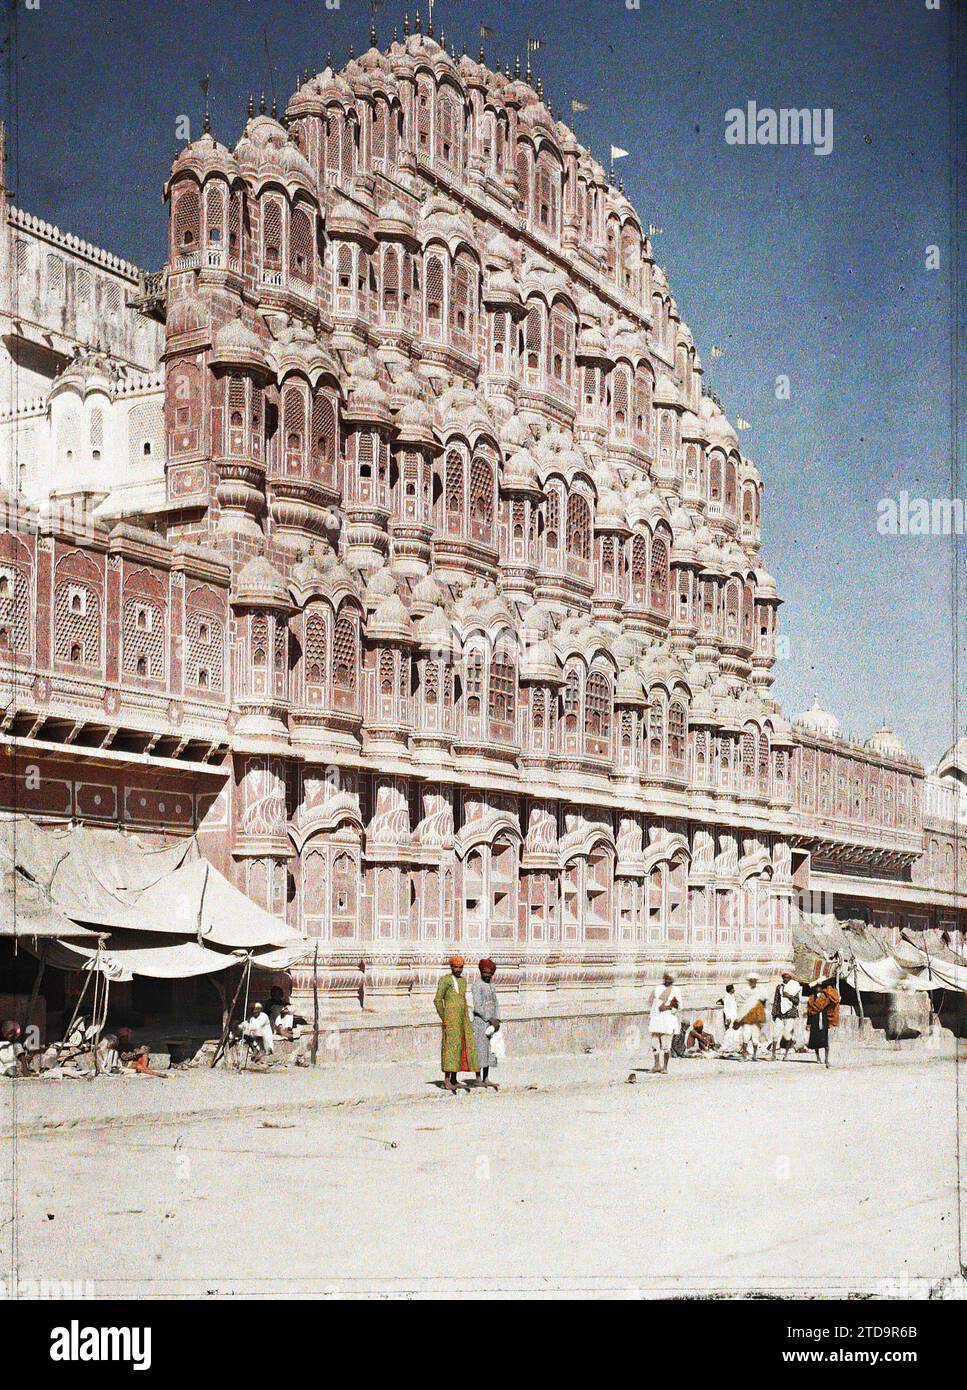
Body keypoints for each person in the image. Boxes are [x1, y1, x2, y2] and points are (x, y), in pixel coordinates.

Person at [434, 955, 478, 1093]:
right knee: (450, 1048)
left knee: (460, 1048)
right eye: (456, 967)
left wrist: (467, 1018)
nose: (458, 970)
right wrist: (444, 1017)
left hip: (462, 1020)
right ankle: (446, 1080)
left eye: (461, 967)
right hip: (450, 1020)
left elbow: (463, 1000)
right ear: (451, 967)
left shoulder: (463, 982)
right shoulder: (445, 980)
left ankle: (454, 1079)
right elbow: (437, 1000)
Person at [471, 958, 501, 1090]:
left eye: (490, 973)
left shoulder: (492, 985)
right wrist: (489, 1018)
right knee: (480, 1049)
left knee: (490, 1050)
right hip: (480, 1021)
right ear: (481, 971)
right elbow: (477, 1006)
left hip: (491, 1022)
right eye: (486, 973)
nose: (488, 975)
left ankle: (486, 1078)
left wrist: (497, 1019)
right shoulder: (477, 985)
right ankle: (478, 1078)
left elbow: (496, 1002)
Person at [804, 969, 840, 1068]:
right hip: (814, 1020)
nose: (818, 989)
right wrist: (808, 1023)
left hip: (823, 1020)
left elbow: (834, 1000)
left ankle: (826, 1059)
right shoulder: (811, 998)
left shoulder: (826, 997)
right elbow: (809, 1012)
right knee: (815, 1040)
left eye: (819, 987)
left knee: (825, 1041)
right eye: (816, 987)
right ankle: (818, 1058)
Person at [649, 972, 681, 1074]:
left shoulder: (676, 990)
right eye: (666, 978)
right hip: (656, 1019)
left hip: (667, 1020)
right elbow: (652, 1002)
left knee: (666, 1046)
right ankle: (656, 1065)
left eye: (670, 979)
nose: (668, 980)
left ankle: (665, 1067)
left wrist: (667, 1007)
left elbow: (678, 1006)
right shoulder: (657, 988)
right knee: (655, 1044)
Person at [771, 969, 803, 1060]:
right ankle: (773, 1054)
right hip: (779, 1014)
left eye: (787, 978)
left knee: (787, 1034)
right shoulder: (779, 987)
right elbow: (776, 1001)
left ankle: (786, 1054)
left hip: (790, 1013)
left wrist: (788, 996)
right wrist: (774, 1013)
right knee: (775, 1034)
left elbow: (796, 1001)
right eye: (784, 977)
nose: (785, 979)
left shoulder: (794, 987)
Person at [736, 973, 768, 1061]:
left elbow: (764, 1000)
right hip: (747, 1017)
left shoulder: (760, 990)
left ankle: (754, 1056)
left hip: (756, 1018)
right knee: (745, 1037)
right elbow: (741, 1003)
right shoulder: (745, 990)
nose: (753, 982)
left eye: (754, 981)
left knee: (755, 1038)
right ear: (749, 982)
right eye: (751, 981)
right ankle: (744, 1056)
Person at [719, 984, 739, 1054]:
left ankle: (734, 1046)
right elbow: (726, 1009)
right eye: (733, 988)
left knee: (735, 1031)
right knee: (730, 1031)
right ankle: (728, 1046)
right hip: (730, 1017)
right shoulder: (727, 998)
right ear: (731, 990)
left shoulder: (732, 997)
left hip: (734, 1016)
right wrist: (728, 1018)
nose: (734, 990)